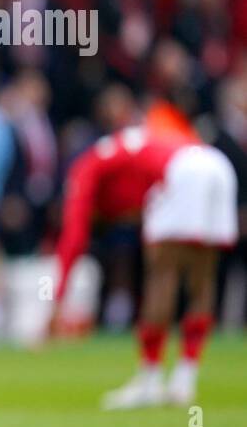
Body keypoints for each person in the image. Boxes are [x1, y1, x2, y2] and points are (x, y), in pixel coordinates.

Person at [53, 126, 238, 408]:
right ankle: (185, 379)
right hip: (217, 165)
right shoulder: (132, 148)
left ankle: (149, 379)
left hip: (183, 173)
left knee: (162, 276)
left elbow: (74, 236)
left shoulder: (84, 169)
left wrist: (57, 298)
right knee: (203, 277)